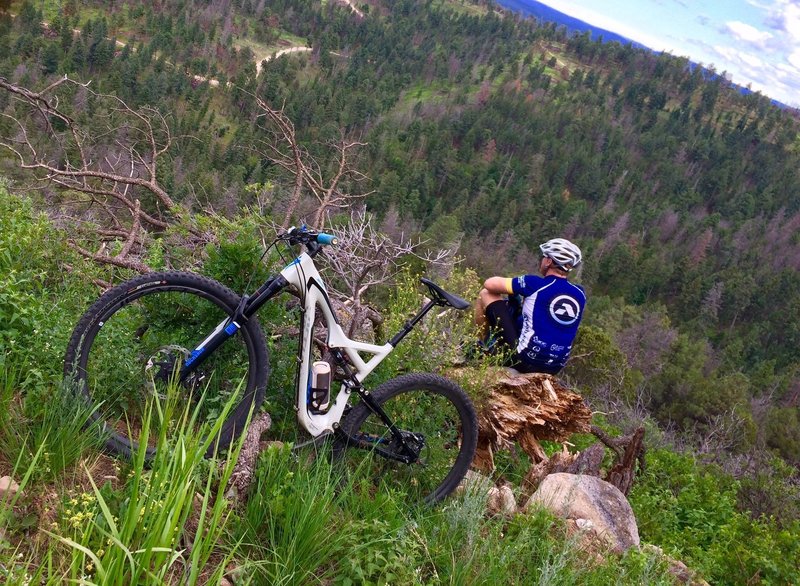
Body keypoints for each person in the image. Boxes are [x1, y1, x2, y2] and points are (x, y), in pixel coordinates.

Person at [473, 238, 586, 375]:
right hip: (554, 368)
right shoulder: (580, 293)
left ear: (548, 261)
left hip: (524, 360)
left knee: (486, 294)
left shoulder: (534, 284)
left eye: (543, 257)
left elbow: (490, 283)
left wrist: (514, 288)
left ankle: (482, 345)